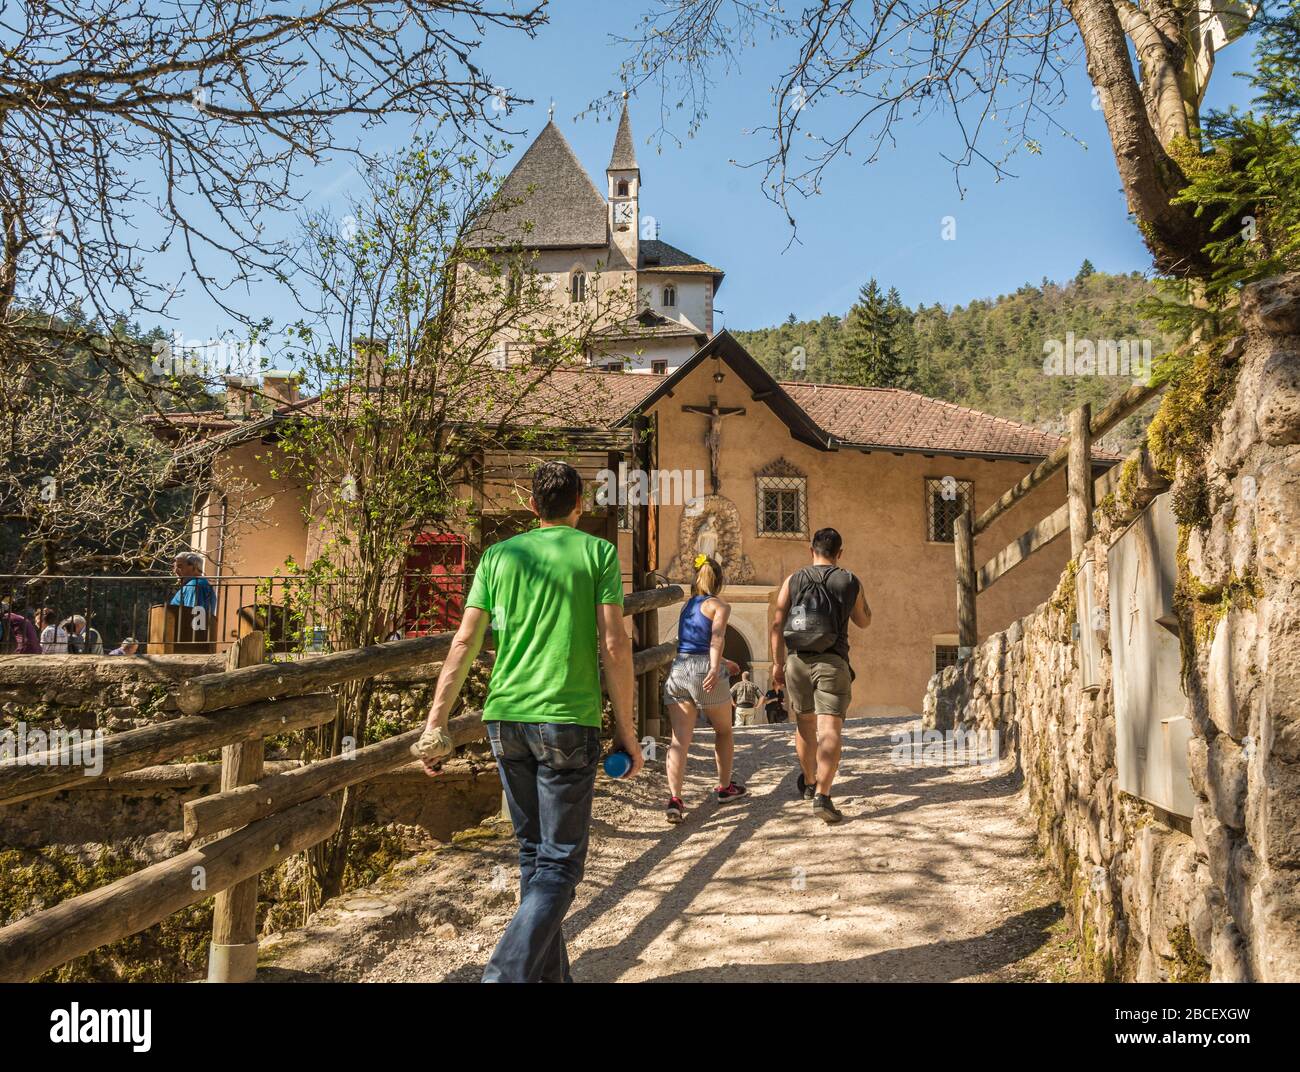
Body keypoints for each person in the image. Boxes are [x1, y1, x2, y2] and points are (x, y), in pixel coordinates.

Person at [412, 460, 640, 983]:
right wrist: (626, 731)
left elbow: (464, 642)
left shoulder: (497, 556)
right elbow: (613, 643)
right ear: (581, 504)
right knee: (560, 864)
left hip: (505, 720)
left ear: (532, 506)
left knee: (536, 859)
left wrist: (436, 726)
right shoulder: (599, 553)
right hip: (567, 720)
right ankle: (504, 976)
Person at [770, 527, 871, 824]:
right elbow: (864, 621)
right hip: (833, 662)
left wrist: (777, 665)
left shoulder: (793, 579)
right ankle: (823, 797)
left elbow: (777, 624)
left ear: (810, 550)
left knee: (804, 725)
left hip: (797, 662)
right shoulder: (849, 580)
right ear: (840, 553)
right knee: (830, 730)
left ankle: (810, 782)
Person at [661, 552, 747, 824]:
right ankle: (724, 788)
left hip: (680, 669)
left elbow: (691, 643)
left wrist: (723, 661)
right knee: (723, 730)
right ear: (719, 581)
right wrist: (714, 667)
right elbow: (717, 636)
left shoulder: (688, 606)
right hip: (703, 670)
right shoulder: (719, 605)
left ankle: (675, 799)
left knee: (679, 739)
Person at [170, 552, 218, 628]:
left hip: (187, 636)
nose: (175, 571)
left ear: (194, 567)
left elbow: (194, 615)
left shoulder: (194, 585)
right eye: (174, 567)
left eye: (179, 566)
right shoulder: (197, 584)